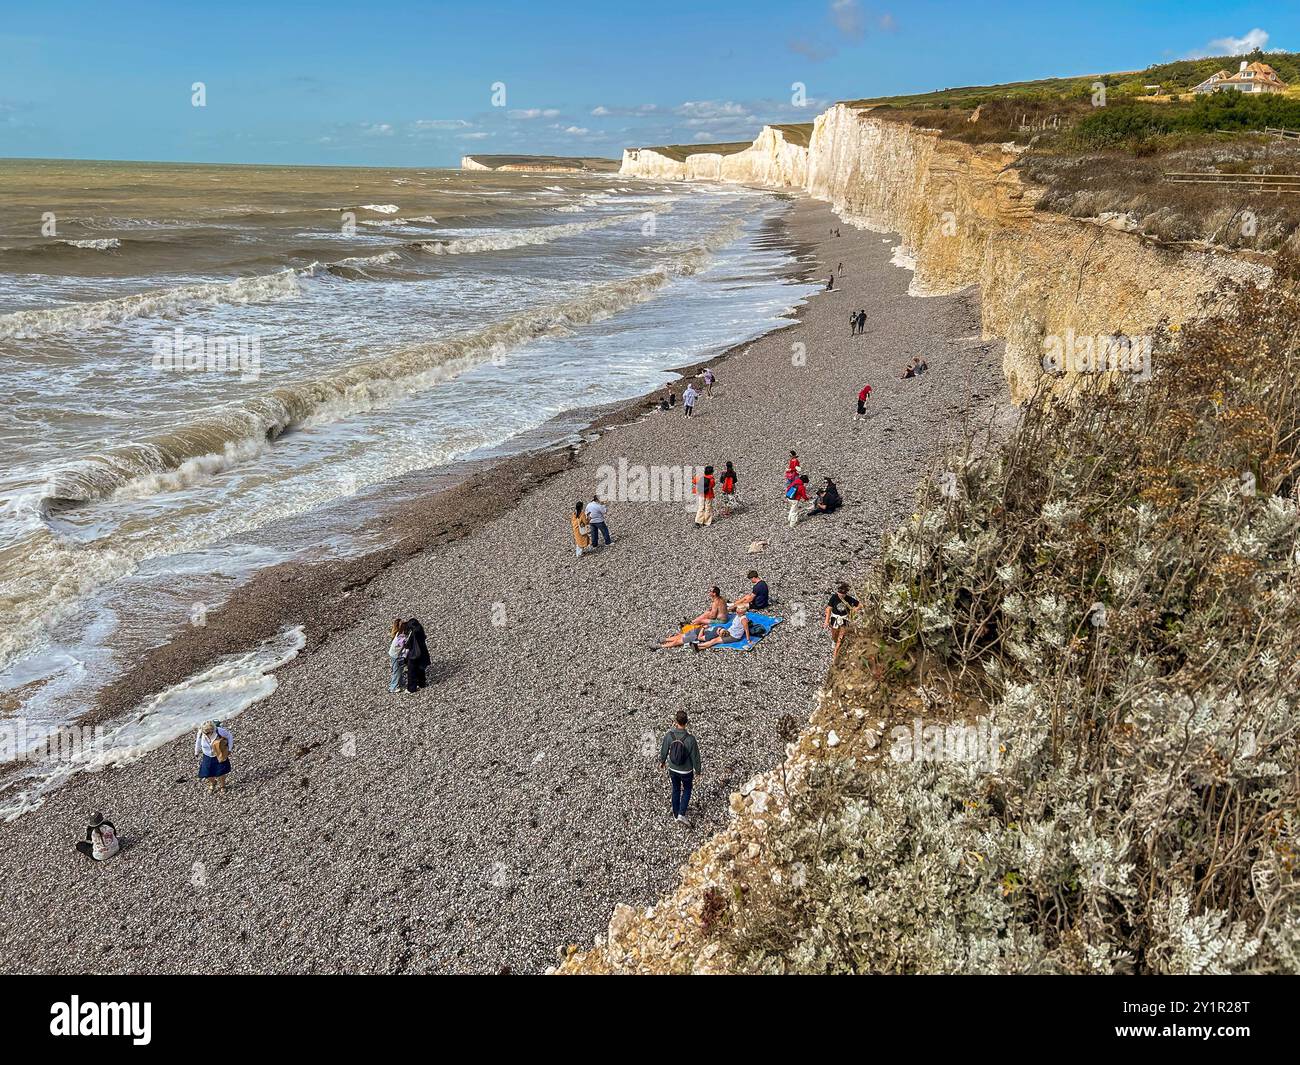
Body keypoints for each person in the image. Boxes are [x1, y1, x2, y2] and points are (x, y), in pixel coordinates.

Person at [659, 711, 702, 825]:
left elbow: (664, 749)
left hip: (673, 768)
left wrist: (662, 761)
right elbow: (695, 756)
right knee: (687, 789)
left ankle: (675, 813)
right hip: (686, 770)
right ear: (686, 723)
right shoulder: (690, 739)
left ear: (675, 721)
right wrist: (698, 770)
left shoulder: (669, 735)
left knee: (676, 789)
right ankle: (681, 814)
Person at [195, 720, 234, 794]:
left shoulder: (219, 731)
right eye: (206, 733)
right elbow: (198, 742)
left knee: (221, 772)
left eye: (210, 732)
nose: (208, 734)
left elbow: (229, 736)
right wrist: (196, 752)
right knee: (206, 773)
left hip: (218, 754)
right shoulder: (200, 733)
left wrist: (229, 749)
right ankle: (213, 782)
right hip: (207, 755)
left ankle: (223, 786)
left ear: (212, 729)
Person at [825, 582, 861, 660]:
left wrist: (855, 609)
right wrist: (826, 621)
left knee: (840, 640)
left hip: (844, 620)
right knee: (834, 636)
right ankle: (835, 642)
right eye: (839, 593)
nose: (840, 595)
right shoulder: (834, 597)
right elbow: (828, 609)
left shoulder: (849, 599)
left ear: (845, 594)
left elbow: (860, 604)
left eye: (843, 594)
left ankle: (835, 656)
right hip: (835, 619)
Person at [404, 617, 431, 692]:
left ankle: (412, 688)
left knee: (412, 671)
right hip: (422, 652)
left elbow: (408, 644)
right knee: (421, 669)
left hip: (414, 654)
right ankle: (422, 683)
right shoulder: (420, 630)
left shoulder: (413, 633)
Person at [387, 618, 407, 693]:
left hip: (395, 654)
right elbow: (404, 645)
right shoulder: (401, 637)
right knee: (396, 671)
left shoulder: (398, 633)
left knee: (400, 669)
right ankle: (393, 687)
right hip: (396, 655)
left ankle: (401, 684)